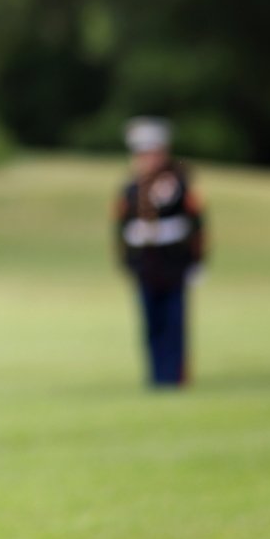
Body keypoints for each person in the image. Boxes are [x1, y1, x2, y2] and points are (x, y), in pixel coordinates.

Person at [114, 117, 206, 388]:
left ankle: (174, 376)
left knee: (174, 323)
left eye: (152, 153)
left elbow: (197, 224)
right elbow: (120, 228)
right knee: (151, 324)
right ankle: (156, 376)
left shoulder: (179, 184)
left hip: (174, 264)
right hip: (146, 265)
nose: (147, 159)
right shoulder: (130, 189)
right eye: (142, 154)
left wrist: (197, 261)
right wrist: (126, 260)